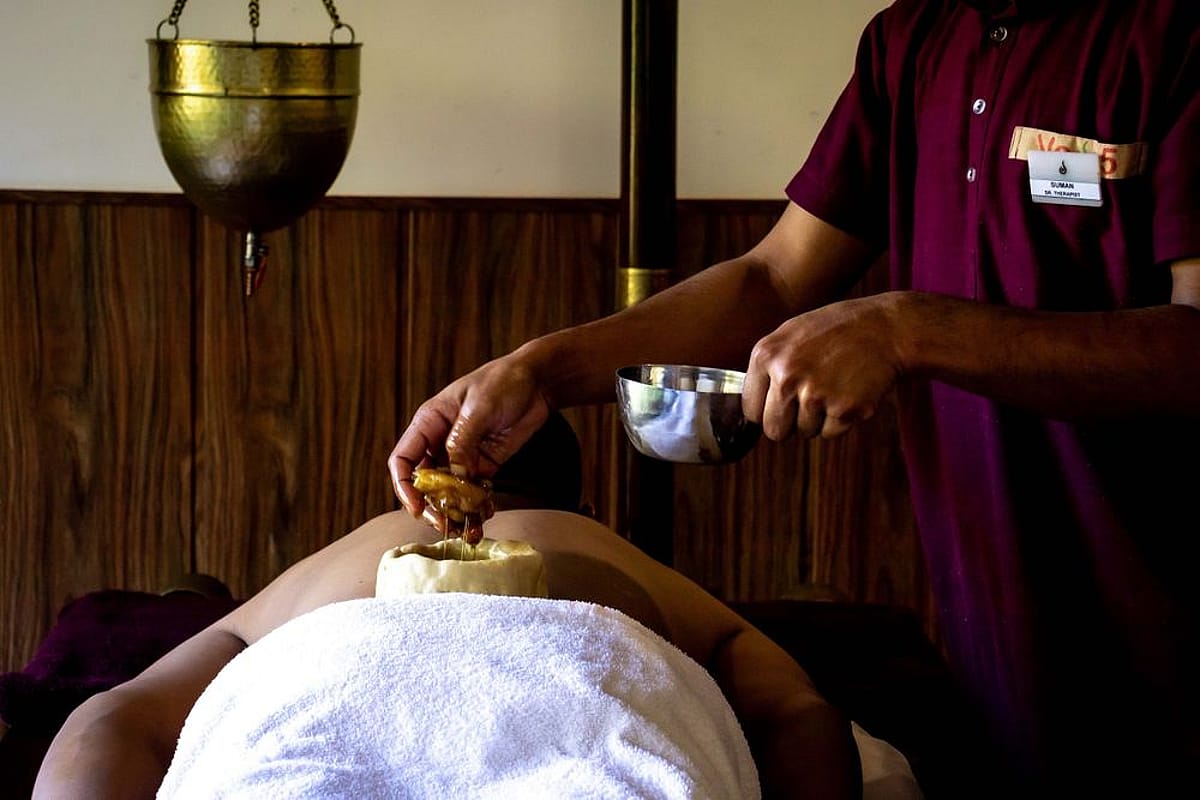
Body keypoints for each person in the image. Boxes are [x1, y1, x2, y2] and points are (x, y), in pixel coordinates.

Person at [389, 1, 1200, 794]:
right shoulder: (912, 39)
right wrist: (539, 372)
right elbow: (774, 277)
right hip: (997, 631)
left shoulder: (1174, 34)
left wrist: (909, 328)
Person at [31, 418, 869, 800]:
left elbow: (111, 722)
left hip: (335, 670)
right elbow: (800, 716)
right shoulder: (609, 550)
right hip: (580, 690)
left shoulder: (344, 556)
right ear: (569, 495)